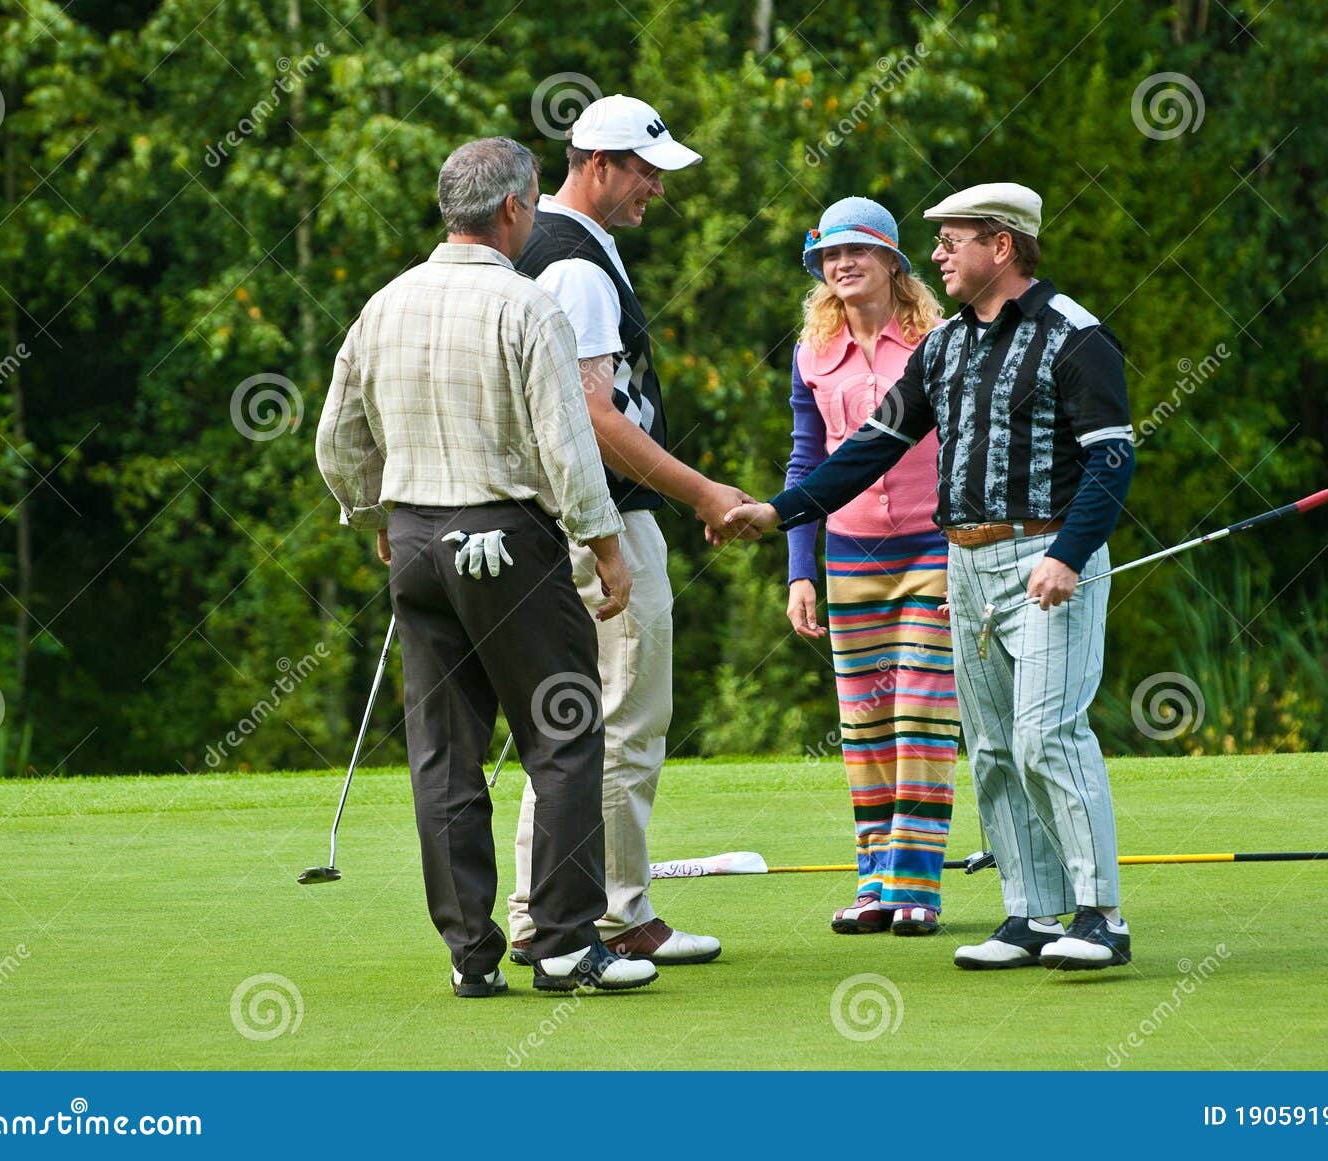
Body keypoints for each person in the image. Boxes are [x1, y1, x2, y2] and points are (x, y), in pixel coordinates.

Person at [726, 182, 1137, 971]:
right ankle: (1031, 913)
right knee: (987, 746)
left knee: (1046, 734)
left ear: (1003, 246)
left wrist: (1069, 554)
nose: (939, 255)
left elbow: (1112, 460)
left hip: (1048, 557)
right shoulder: (946, 346)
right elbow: (871, 447)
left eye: (953, 240)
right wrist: (781, 514)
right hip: (966, 561)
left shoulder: (1074, 337)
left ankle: (1101, 917)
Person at [315, 136, 657, 996]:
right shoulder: (526, 304)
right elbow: (568, 444)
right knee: (565, 732)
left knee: (443, 753)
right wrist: (606, 544)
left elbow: (335, 437)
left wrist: (373, 513)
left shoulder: (382, 303)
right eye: (533, 205)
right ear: (513, 210)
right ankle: (568, 943)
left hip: (418, 544)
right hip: (505, 539)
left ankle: (473, 955)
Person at [505, 94, 736, 968]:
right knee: (621, 717)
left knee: (572, 719)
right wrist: (705, 492)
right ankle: (603, 913)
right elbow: (596, 418)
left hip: (560, 517)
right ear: (595, 162)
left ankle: (555, 911)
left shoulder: (545, 244)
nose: (655, 190)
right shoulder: (574, 265)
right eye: (645, 171)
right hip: (599, 519)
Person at [785, 197, 959, 937]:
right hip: (849, 556)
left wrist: (968, 553)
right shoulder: (812, 351)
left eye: (857, 250)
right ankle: (874, 883)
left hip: (934, 548)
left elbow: (966, 449)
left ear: (893, 261)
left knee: (921, 714)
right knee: (864, 725)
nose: (842, 264)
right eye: (829, 255)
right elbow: (806, 458)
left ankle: (917, 885)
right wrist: (800, 570)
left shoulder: (941, 341)